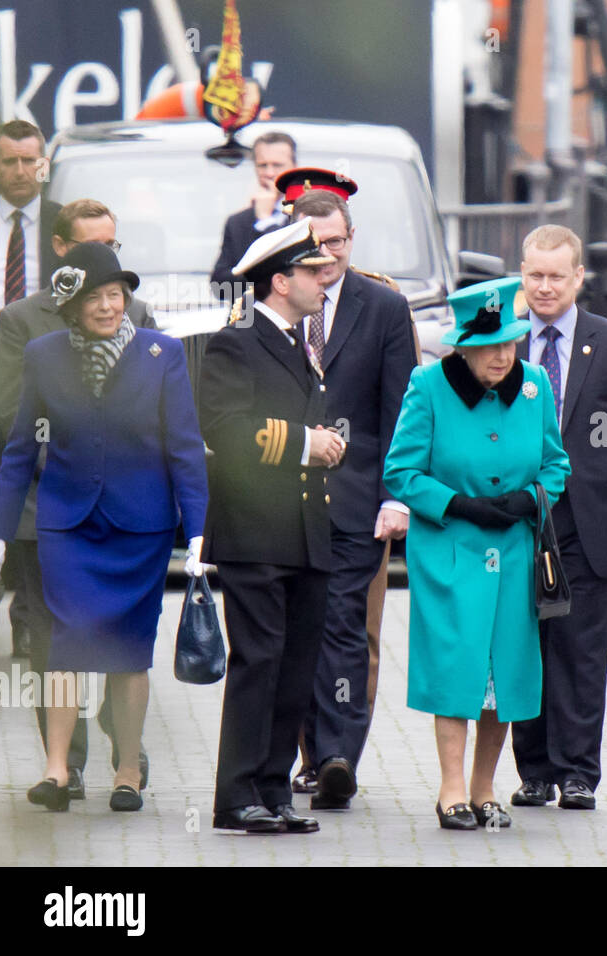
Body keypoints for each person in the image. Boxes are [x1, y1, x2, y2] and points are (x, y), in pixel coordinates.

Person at [0, 241, 208, 813]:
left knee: (128, 650)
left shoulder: (163, 354)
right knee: (63, 642)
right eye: (96, 298)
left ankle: (128, 769)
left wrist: (199, 533)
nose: (109, 307)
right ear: (72, 307)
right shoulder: (44, 356)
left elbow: (185, 449)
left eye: (116, 295)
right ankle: (56, 769)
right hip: (67, 526)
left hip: (140, 529)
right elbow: (20, 449)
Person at [383, 276, 570, 829]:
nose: (503, 356)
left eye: (511, 343)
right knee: (457, 670)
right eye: (490, 346)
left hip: (514, 554)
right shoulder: (429, 387)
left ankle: (486, 788)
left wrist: (529, 498)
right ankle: (451, 790)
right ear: (463, 346)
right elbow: (400, 470)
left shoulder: (535, 385)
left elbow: (556, 464)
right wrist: (458, 505)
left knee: (503, 675)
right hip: (451, 554)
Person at [199, 218, 345, 834]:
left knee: (295, 666)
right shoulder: (238, 342)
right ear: (279, 281)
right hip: (256, 532)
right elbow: (225, 429)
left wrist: (328, 443)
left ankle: (272, 789)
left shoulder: (296, 342)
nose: (323, 278)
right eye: (312, 272)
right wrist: (304, 444)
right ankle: (236, 796)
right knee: (258, 662)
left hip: (303, 530)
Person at [508, 225, 607, 811]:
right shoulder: (505, 341)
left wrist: (603, 481)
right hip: (518, 518)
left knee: (581, 649)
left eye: (555, 277)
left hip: (586, 524)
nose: (544, 287)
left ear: (577, 279)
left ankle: (577, 772)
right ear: (522, 274)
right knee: (525, 644)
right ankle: (534, 770)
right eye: (534, 275)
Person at [280, 175, 418, 811]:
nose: (328, 254)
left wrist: (398, 495)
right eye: (315, 244)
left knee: (344, 630)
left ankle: (336, 757)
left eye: (337, 241)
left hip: (357, 500)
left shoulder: (384, 307)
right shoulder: (272, 303)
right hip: (282, 502)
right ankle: (305, 752)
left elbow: (401, 411)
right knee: (292, 631)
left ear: (351, 238)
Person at [209, 131, 296, 296]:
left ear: (293, 167)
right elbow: (219, 287)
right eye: (263, 165)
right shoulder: (238, 222)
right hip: (247, 318)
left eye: (277, 165)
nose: (269, 173)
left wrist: (266, 222)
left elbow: (288, 272)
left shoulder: (306, 215)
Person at [0, 120, 61, 318]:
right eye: (10, 162)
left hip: (43, 342)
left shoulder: (64, 223)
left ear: (44, 167)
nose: (20, 172)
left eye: (29, 161)